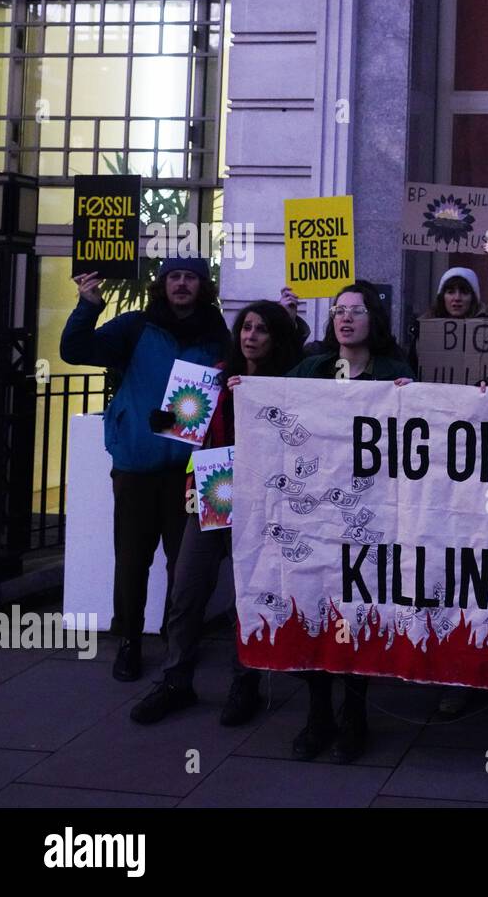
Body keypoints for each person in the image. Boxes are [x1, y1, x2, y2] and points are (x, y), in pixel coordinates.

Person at [130, 297, 304, 726]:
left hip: (265, 503)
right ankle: (176, 681)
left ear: (276, 337)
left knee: (248, 598)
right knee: (186, 592)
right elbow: (182, 427)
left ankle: (244, 682)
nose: (251, 336)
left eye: (262, 329)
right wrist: (164, 420)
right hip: (214, 492)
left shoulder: (291, 384)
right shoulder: (215, 379)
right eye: (246, 328)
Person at [60, 257, 231, 682]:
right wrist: (88, 306)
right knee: (132, 560)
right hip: (137, 465)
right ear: (162, 284)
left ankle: (178, 646)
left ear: (203, 286)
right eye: (174, 276)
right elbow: (75, 351)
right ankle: (129, 642)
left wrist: (290, 323)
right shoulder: (134, 326)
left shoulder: (217, 334)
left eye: (190, 277)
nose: (181, 284)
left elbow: (254, 367)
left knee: (185, 566)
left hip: (192, 471)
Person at [285, 281, 414, 763]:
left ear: (372, 321)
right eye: (338, 310)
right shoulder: (312, 368)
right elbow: (272, 402)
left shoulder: (395, 372)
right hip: (314, 512)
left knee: (356, 608)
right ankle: (318, 714)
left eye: (356, 311)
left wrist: (409, 398)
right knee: (316, 605)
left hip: (368, 514)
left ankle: (354, 715)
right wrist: (244, 385)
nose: (345, 318)